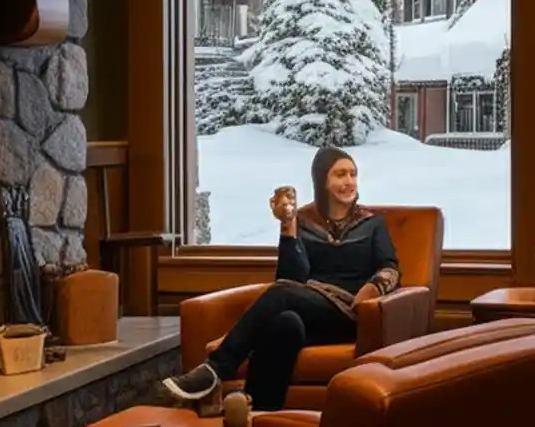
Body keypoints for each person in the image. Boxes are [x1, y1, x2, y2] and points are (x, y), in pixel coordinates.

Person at [161, 147, 401, 411]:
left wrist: (373, 287)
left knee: (282, 295)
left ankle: (215, 369)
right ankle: (259, 414)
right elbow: (292, 278)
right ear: (322, 180)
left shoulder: (372, 223)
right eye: (340, 174)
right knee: (285, 324)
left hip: (351, 312)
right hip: (313, 311)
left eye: (353, 174)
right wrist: (288, 227)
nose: (349, 182)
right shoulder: (305, 222)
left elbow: (390, 267)